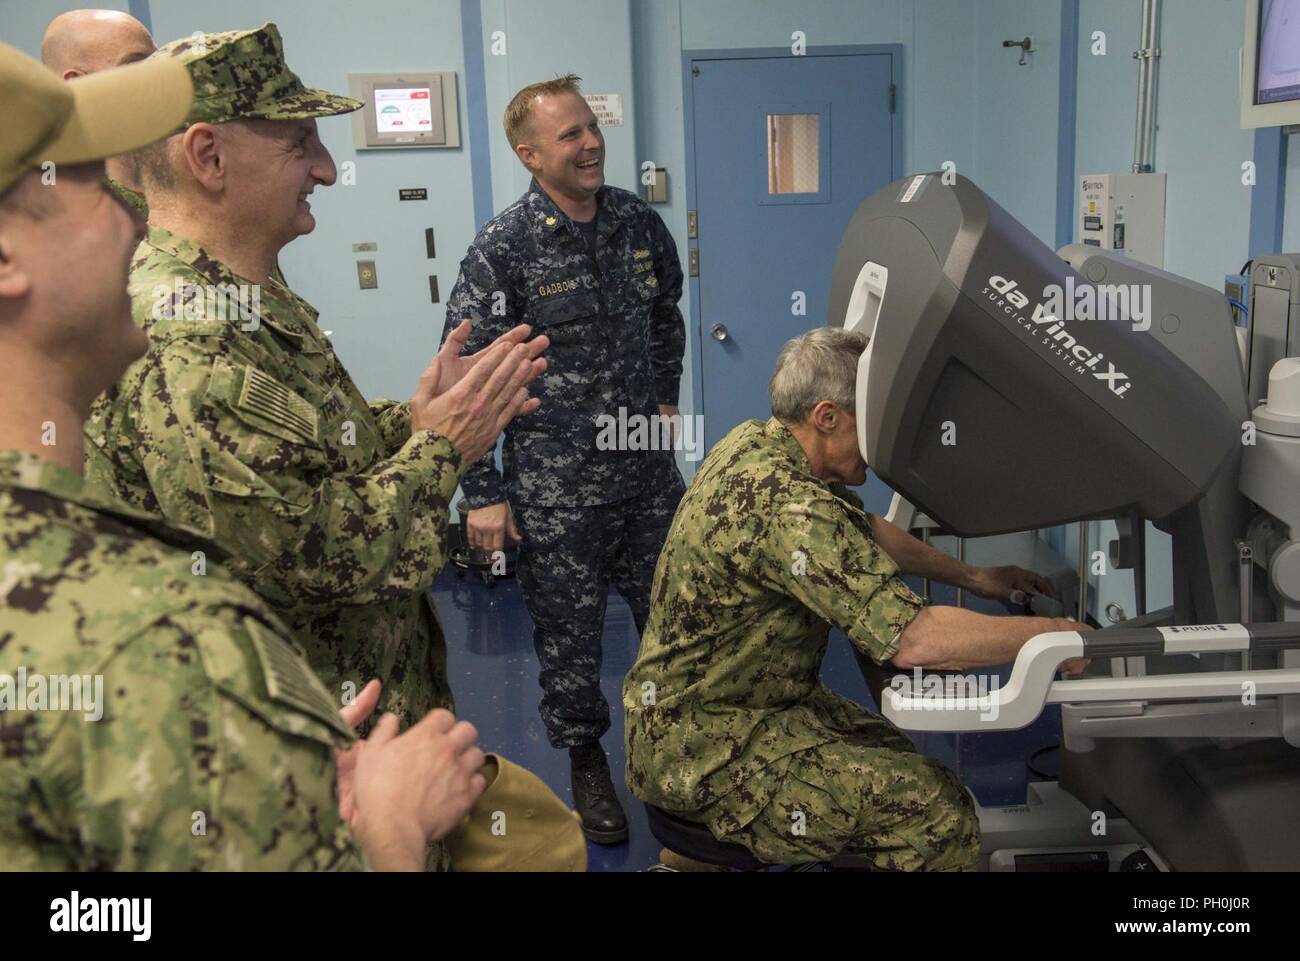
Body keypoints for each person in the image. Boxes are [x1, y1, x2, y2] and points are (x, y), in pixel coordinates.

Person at [0, 41, 487, 871]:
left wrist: (410, 421)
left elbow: (297, 447)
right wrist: (387, 827)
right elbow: (314, 544)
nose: (127, 211)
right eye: (78, 182)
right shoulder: (152, 632)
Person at [624, 327, 1088, 870]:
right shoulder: (791, 508)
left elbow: (860, 529)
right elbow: (914, 642)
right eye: (871, 425)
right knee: (936, 812)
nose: (880, 444)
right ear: (826, 416)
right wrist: (1052, 636)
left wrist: (976, 577)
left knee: (887, 752)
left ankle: (695, 862)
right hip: (710, 753)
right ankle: (700, 851)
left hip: (712, 714)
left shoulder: (754, 443)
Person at [444, 74, 686, 843]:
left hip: (648, 478)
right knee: (571, 643)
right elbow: (466, 374)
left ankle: (678, 759)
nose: (591, 144)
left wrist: (667, 398)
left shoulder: (638, 224)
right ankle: (588, 764)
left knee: (680, 626)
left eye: (591, 128)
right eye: (570, 135)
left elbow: (666, 314)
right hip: (558, 487)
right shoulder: (504, 246)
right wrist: (482, 490)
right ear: (529, 154)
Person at [40, 8, 156, 199]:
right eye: (136, 65)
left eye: (158, 63)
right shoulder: (52, 200)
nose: (160, 78)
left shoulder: (179, 176)